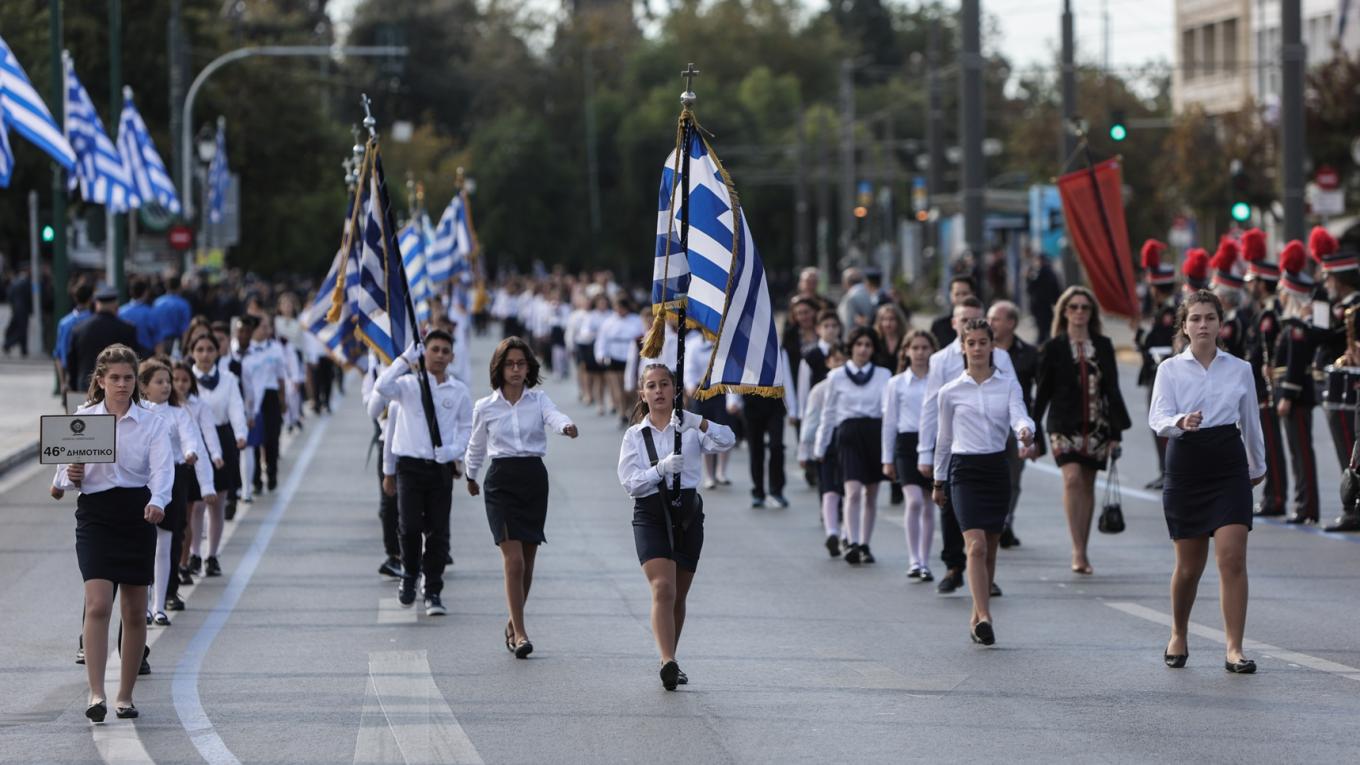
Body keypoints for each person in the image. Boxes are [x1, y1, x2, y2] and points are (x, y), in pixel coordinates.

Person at [50, 344, 172, 722]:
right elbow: (62, 476)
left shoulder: (151, 421)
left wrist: (159, 501)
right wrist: (70, 476)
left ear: (136, 381)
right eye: (114, 378)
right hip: (96, 517)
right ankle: (96, 692)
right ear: (100, 381)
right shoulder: (85, 417)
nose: (121, 384)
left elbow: (162, 469)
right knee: (99, 602)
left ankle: (124, 695)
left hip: (137, 514)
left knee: (135, 610)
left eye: (128, 378)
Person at [1149, 290, 1265, 673]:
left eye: (1210, 318)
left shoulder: (1240, 369)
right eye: (1195, 318)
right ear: (1184, 326)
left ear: (1220, 324)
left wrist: (1257, 464)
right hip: (1187, 464)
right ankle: (1179, 631)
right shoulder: (1169, 369)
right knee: (1189, 566)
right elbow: (1158, 416)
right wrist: (1179, 422)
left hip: (1228, 462)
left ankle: (1234, 647)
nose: (1203, 325)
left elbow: (1250, 421)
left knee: (1233, 558)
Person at [617, 362, 736, 690]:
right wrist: (661, 469)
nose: (658, 391)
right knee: (663, 588)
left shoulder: (689, 427)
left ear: (675, 390)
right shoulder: (635, 436)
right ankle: (668, 660)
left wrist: (698, 421)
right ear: (642, 393)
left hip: (686, 513)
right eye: (652, 386)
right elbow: (630, 483)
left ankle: (669, 656)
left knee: (678, 595)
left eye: (665, 384)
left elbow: (727, 440)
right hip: (652, 513)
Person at [465, 338, 579, 658]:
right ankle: (521, 633)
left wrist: (566, 426)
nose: (515, 370)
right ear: (499, 369)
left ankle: (512, 623)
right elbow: (476, 445)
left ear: (529, 368)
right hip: (501, 481)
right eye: (509, 364)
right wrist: (471, 475)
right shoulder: (485, 407)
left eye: (521, 364)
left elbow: (555, 416)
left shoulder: (538, 400)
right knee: (512, 560)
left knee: (527, 563)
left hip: (532, 479)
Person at [932, 319, 1036, 646]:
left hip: (995, 467)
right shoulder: (950, 392)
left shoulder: (1006, 384)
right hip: (964, 470)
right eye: (971, 343)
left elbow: (1019, 413)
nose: (977, 349)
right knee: (974, 545)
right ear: (963, 347)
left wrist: (1024, 430)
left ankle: (977, 616)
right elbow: (944, 438)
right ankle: (987, 616)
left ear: (993, 347)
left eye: (982, 342)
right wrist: (938, 479)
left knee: (990, 548)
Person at [917, 296, 1016, 595]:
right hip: (957, 448)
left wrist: (1024, 430)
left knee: (987, 531)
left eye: (975, 319)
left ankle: (985, 577)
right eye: (963, 321)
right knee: (951, 511)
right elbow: (931, 407)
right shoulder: (940, 361)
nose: (975, 346)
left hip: (992, 443)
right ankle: (953, 566)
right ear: (955, 325)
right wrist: (926, 451)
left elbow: (1014, 396)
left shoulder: (1000, 358)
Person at [1033, 286, 1131, 575]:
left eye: (1084, 307)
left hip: (1098, 426)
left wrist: (1116, 433)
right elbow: (1043, 393)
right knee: (1072, 478)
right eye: (1073, 307)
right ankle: (1076, 548)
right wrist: (1033, 430)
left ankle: (1083, 548)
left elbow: (1112, 389)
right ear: (1064, 312)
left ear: (1091, 313)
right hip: (1063, 425)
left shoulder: (1103, 345)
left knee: (1087, 484)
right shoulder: (1052, 348)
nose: (1078, 312)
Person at [375, 332, 474, 616]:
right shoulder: (407, 386)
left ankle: (433, 589)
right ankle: (409, 575)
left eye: (445, 351)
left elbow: (467, 427)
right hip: (410, 466)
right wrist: (406, 359)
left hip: (440, 467)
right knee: (409, 526)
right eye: (434, 350)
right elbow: (382, 386)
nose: (440, 355)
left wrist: (455, 451)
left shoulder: (458, 391)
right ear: (424, 353)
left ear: (452, 356)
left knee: (439, 532)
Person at [138, 359, 213, 626]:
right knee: (145, 546)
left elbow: (189, 437)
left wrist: (191, 451)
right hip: (145, 481)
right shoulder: (140, 412)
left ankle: (160, 604)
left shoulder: (178, 413)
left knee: (166, 542)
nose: (166, 386)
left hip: (175, 477)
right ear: (144, 387)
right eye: (159, 382)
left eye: (168, 382)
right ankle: (143, 605)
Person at [815, 326, 892, 565]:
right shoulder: (837, 376)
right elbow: (828, 413)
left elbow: (888, 414)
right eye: (859, 344)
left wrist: (889, 448)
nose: (863, 349)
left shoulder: (883, 375)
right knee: (853, 491)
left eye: (868, 345)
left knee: (871, 494)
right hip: (848, 435)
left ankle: (865, 544)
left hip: (873, 433)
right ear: (851, 348)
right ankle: (852, 541)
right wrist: (821, 445)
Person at [1239, 229, 1290, 519]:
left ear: (1262, 283)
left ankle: (1276, 496)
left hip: (1264, 388)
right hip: (1258, 387)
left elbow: (1265, 350)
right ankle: (1273, 494)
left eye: (1253, 282)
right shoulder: (1261, 311)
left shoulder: (1269, 313)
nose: (1251, 287)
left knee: (1271, 445)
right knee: (1265, 444)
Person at [1308, 227, 1360, 505]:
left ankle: (1352, 504)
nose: (1324, 281)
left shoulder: (1352, 307)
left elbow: (1320, 335)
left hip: (1350, 384)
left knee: (1350, 450)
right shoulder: (1340, 305)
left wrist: (1314, 309)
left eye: (1328, 276)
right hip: (1336, 381)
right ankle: (1351, 503)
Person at [881, 330, 937, 580]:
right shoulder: (896, 383)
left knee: (928, 502)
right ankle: (913, 558)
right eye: (915, 348)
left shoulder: (939, 381)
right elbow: (889, 422)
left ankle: (924, 560)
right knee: (913, 500)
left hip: (932, 444)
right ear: (906, 351)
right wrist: (887, 458)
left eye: (925, 348)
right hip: (905, 443)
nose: (920, 353)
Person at [1273, 242, 1321, 525]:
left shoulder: (1298, 327)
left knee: (1301, 452)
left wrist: (1286, 395)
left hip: (1297, 396)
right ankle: (1303, 504)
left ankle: (1307, 506)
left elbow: (1295, 364)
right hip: (1291, 395)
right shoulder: (1291, 324)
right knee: (1296, 452)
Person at [988, 300, 1041, 548]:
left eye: (996, 319)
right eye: (989, 318)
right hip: (987, 425)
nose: (991, 324)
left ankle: (1006, 521)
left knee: (1013, 479)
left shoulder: (1029, 353)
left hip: (1017, 425)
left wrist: (1034, 435)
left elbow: (1039, 395)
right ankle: (990, 522)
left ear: (1011, 323)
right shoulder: (981, 351)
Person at [189, 331, 246, 554]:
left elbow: (236, 407)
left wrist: (240, 433)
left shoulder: (228, 378)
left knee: (217, 502)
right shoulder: (185, 380)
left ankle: (212, 554)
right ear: (191, 352)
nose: (205, 355)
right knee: (196, 504)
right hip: (193, 441)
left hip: (222, 438)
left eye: (210, 349)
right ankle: (194, 552)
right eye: (200, 350)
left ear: (217, 352)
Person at [1135, 240, 1180, 490]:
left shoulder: (1167, 312)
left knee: (1162, 424)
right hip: (1156, 372)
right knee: (1157, 424)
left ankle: (1168, 470)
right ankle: (1164, 469)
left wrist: (1140, 335)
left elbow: (1158, 345)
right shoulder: (1161, 309)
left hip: (1162, 372)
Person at [800, 344, 848, 556]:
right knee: (829, 489)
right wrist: (805, 450)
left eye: (842, 360)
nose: (839, 364)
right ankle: (832, 532)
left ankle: (847, 533)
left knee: (849, 492)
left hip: (849, 441)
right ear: (828, 363)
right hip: (825, 443)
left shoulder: (851, 386)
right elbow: (811, 420)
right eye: (835, 360)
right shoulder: (820, 389)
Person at [66, 285, 140, 393]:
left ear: (96, 303)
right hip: (117, 387)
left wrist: (73, 386)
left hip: (86, 386)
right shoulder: (127, 329)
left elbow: (72, 363)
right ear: (115, 304)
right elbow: (134, 360)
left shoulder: (79, 329)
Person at [595, 296, 645, 427]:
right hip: (614, 355)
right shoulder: (609, 322)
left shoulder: (635, 320)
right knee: (617, 388)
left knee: (629, 387)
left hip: (630, 356)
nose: (619, 310)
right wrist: (600, 354)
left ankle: (630, 411)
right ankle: (621, 412)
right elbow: (602, 339)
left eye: (621, 308)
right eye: (617, 308)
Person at [54, 282, 94, 395]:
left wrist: (62, 382)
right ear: (91, 299)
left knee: (72, 411)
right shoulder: (94, 321)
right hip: (92, 374)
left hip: (69, 377)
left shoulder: (64, 323)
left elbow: (58, 355)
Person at [1026, 252, 1062, 344]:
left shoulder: (1040, 273)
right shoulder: (1048, 272)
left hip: (1041, 305)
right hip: (1044, 305)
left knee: (1044, 329)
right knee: (1045, 328)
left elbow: (1030, 288)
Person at [930, 276, 976, 349]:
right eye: (957, 294)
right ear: (950, 296)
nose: (961, 298)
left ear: (973, 294)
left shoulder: (983, 322)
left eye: (965, 294)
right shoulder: (939, 325)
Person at [152, 274, 192, 355]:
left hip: (159, 342)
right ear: (179, 287)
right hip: (176, 343)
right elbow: (185, 329)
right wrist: (184, 350)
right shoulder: (183, 304)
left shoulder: (157, 303)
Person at [118, 279, 159, 357]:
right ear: (146, 292)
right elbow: (157, 339)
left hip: (125, 354)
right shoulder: (150, 312)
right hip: (146, 354)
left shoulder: (121, 311)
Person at [4, 267, 32, 356]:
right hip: (23, 310)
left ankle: (24, 350)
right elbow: (29, 297)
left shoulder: (15, 282)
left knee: (20, 330)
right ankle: (8, 344)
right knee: (22, 331)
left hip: (16, 309)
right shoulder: (26, 282)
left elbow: (9, 295)